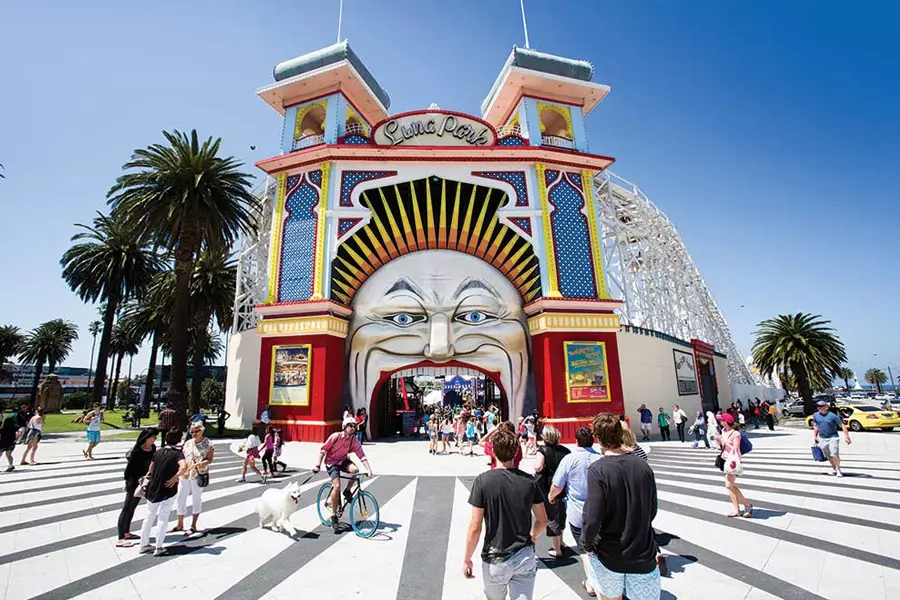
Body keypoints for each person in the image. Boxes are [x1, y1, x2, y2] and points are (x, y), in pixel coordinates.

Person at [463, 425, 547, 600]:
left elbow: (475, 527)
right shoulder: (529, 482)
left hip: (495, 556)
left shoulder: (483, 481)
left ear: (493, 451)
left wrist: (467, 558)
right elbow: (543, 520)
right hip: (524, 554)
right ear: (516, 451)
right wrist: (533, 535)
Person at [582, 413, 660, 600]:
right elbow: (652, 509)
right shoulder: (642, 465)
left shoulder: (598, 470)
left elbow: (593, 517)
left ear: (597, 438)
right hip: (642, 551)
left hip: (610, 553)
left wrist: (587, 543)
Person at [548, 426, 601, 596]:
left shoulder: (570, 459)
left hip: (578, 512)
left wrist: (551, 496)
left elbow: (557, 485)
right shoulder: (600, 459)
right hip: (601, 511)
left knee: (584, 548)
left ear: (576, 441)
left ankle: (591, 581)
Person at [312, 417, 373, 532]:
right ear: (344, 427)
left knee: (355, 470)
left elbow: (362, 456)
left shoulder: (353, 440)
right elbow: (322, 451)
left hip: (343, 460)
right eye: (350, 426)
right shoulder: (335, 437)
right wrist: (317, 465)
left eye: (354, 426)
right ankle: (334, 516)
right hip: (332, 463)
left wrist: (369, 469)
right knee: (337, 486)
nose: (352, 428)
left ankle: (347, 491)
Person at [140, 430, 187, 556]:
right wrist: (175, 477)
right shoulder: (177, 453)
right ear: (178, 440)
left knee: (149, 515)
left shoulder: (158, 452)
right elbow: (184, 467)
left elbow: (151, 469)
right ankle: (159, 547)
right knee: (163, 517)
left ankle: (143, 544)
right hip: (168, 488)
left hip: (154, 487)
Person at [533, 425, 570, 560]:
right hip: (562, 487)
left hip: (547, 487)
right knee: (561, 514)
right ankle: (561, 542)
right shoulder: (566, 451)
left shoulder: (542, 450)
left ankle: (557, 549)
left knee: (552, 517)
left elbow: (538, 467)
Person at [117, 428, 158, 547]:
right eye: (153, 437)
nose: (155, 439)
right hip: (133, 482)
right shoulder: (137, 451)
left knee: (132, 507)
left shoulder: (153, 448)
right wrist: (127, 484)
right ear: (146, 437)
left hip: (144, 482)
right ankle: (120, 537)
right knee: (127, 508)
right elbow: (128, 470)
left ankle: (126, 532)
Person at [173, 422, 215, 535]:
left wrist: (199, 464)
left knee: (196, 498)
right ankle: (180, 523)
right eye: (192, 432)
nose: (194, 433)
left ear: (202, 430)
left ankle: (193, 525)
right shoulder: (187, 443)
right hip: (185, 474)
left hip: (198, 474)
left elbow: (210, 459)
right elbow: (182, 457)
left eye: (197, 431)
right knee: (181, 497)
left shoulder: (208, 443)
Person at [716, 413, 752, 517]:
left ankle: (747, 505)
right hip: (724, 459)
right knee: (729, 486)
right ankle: (736, 509)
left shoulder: (736, 434)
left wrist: (724, 441)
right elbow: (722, 447)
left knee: (728, 485)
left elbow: (735, 449)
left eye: (722, 420)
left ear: (726, 422)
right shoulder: (723, 431)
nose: (720, 422)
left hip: (732, 461)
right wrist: (719, 441)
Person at [812, 399, 851, 477]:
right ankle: (834, 469)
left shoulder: (832, 416)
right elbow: (815, 425)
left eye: (821, 406)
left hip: (833, 437)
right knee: (828, 455)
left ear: (826, 407)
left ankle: (838, 469)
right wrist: (815, 436)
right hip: (822, 438)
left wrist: (847, 437)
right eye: (818, 407)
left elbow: (842, 425)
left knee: (834, 454)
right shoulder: (815, 415)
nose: (819, 408)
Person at [0, 404, 27, 472]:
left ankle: (10, 465)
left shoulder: (4, 427)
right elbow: (20, 431)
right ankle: (11, 465)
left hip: (3, 441)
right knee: (9, 454)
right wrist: (17, 440)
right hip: (11, 441)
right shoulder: (15, 426)